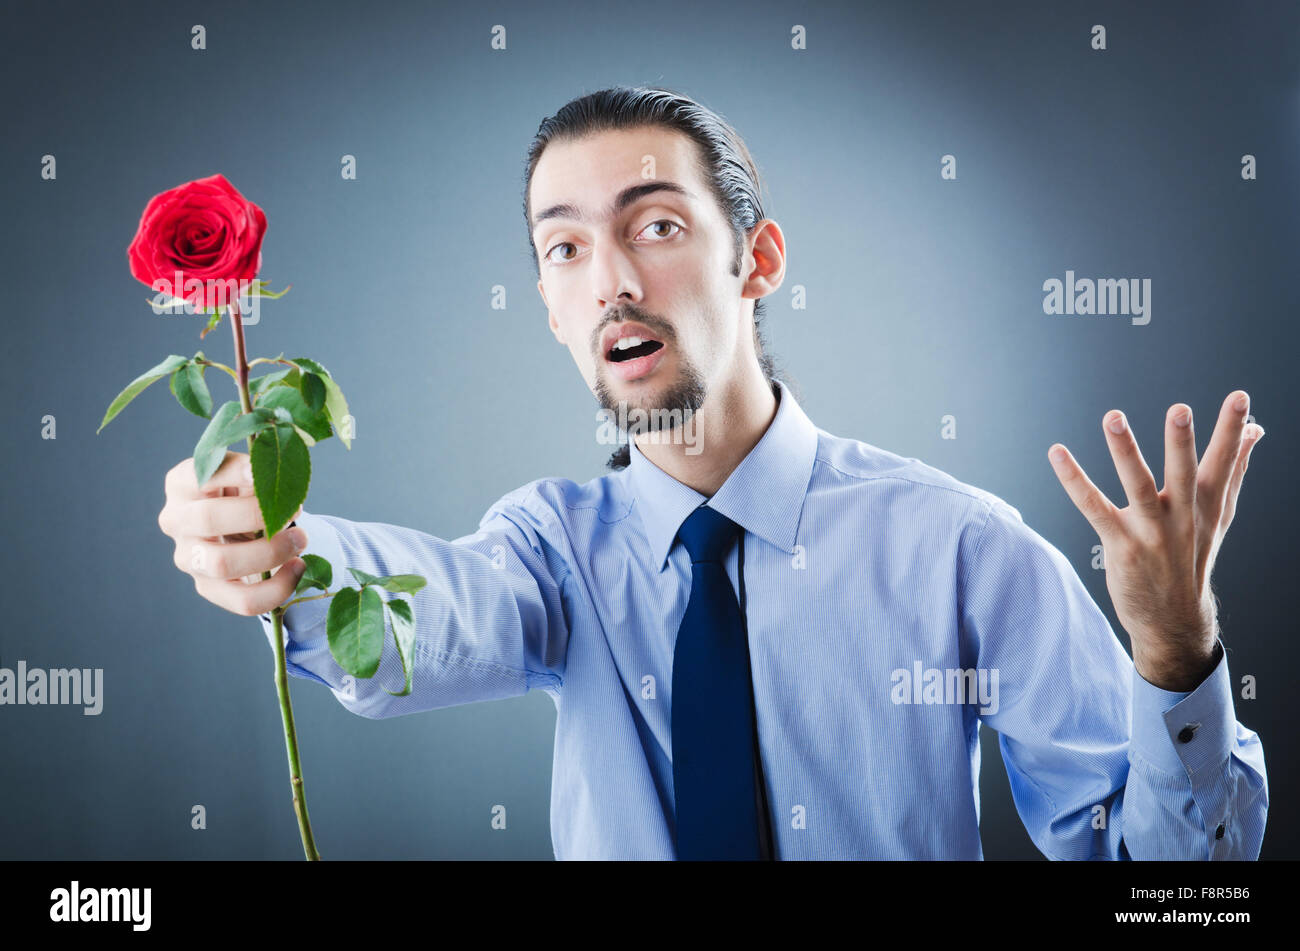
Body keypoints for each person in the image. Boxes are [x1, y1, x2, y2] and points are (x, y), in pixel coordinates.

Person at [157, 86, 1267, 860]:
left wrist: (1175, 653)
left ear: (758, 259)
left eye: (657, 225)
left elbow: (1166, 879)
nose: (612, 281)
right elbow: (436, 607)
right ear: (548, 304)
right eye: (566, 248)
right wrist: (295, 555)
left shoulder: (961, 549)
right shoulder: (551, 552)